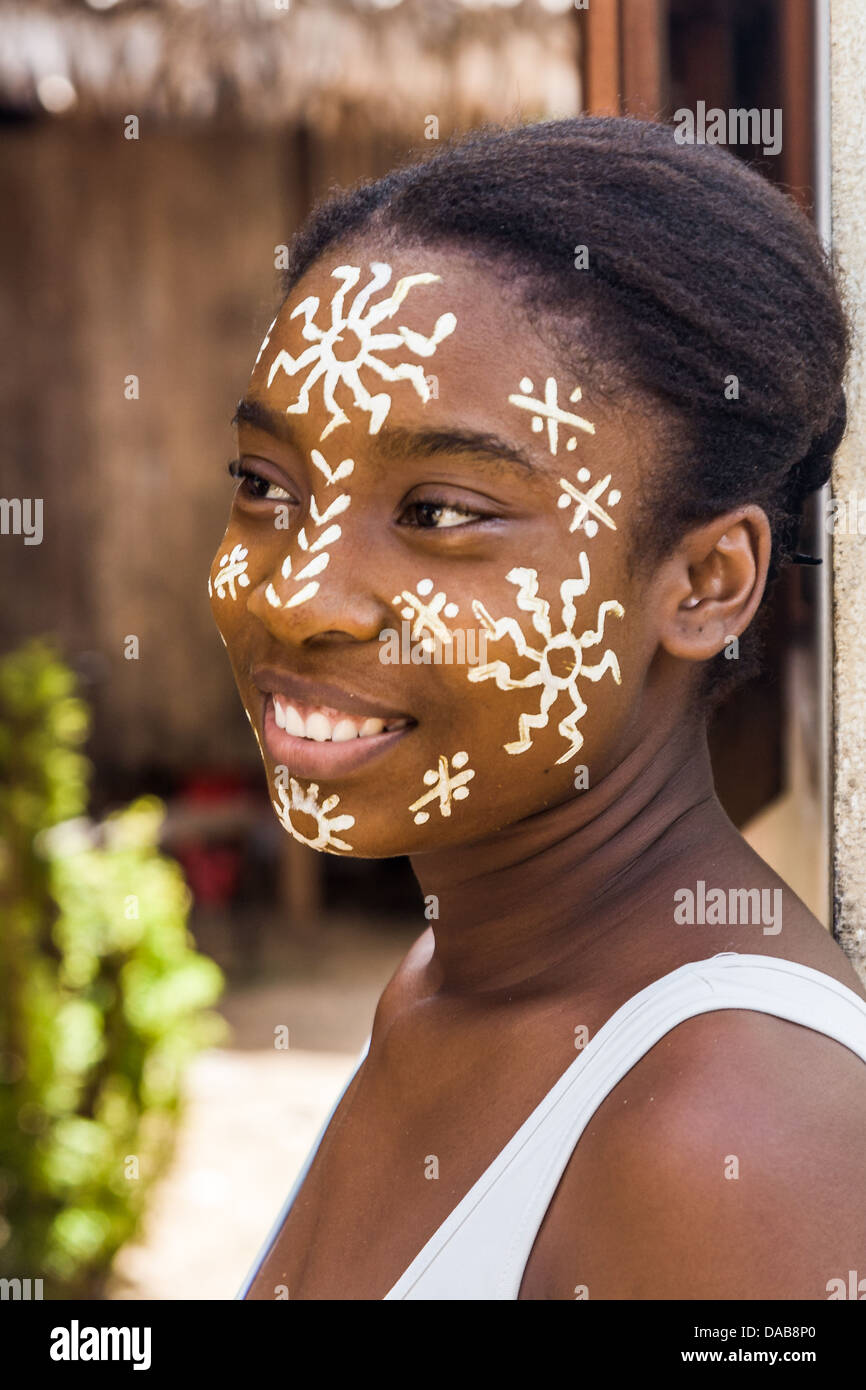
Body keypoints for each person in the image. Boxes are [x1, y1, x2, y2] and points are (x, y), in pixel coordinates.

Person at [210, 117, 866, 1300]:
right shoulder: (446, 974)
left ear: (704, 584)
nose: (299, 594)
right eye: (266, 486)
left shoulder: (732, 1139)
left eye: (442, 511)